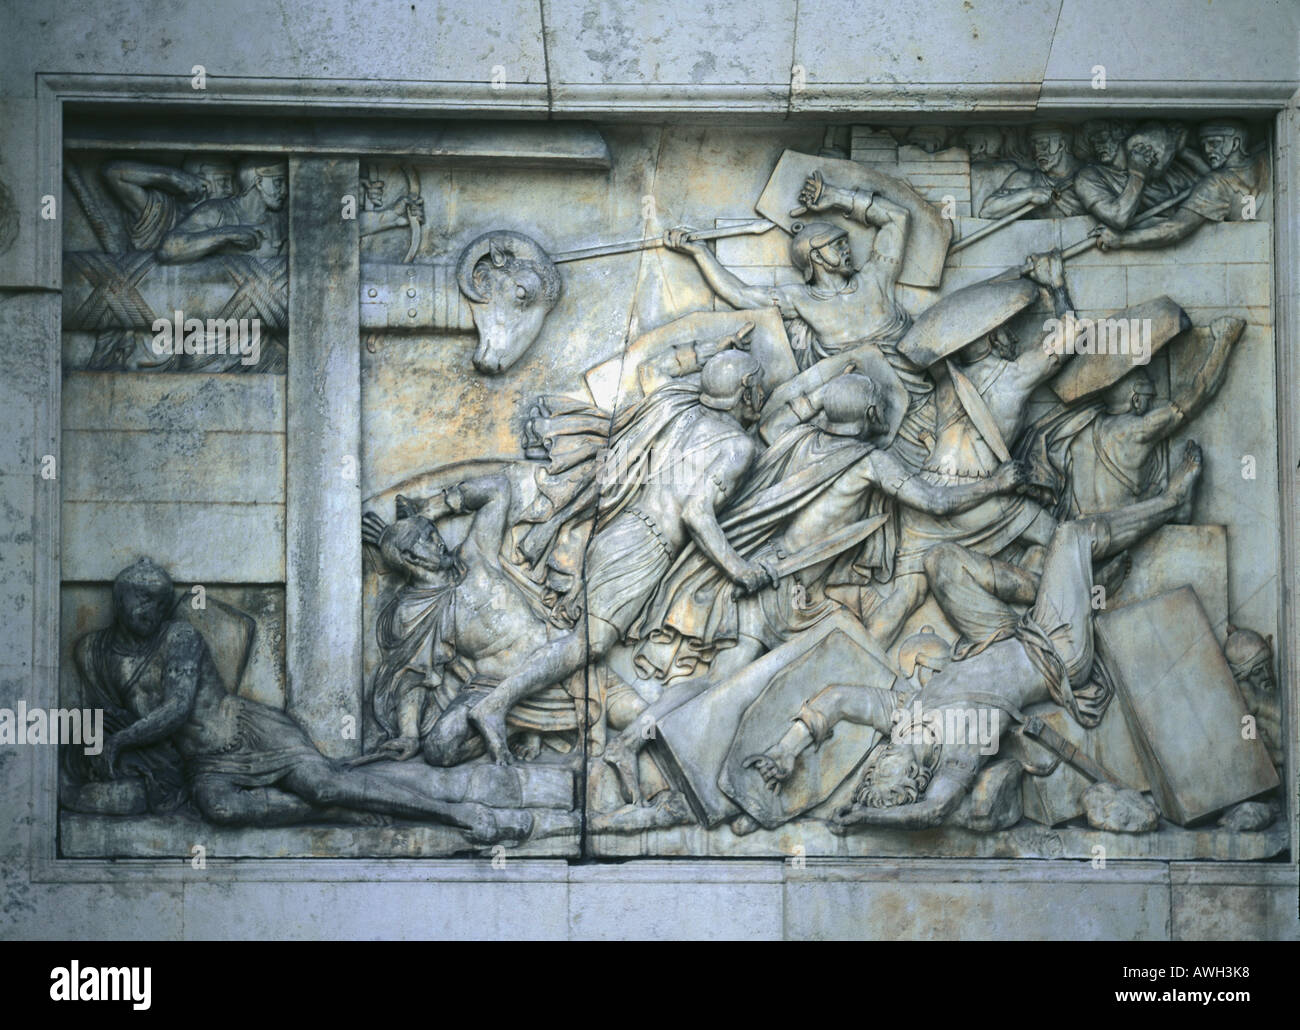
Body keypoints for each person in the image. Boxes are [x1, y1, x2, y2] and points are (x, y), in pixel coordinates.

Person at [601, 371, 1029, 804]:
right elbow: (935, 501)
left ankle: (636, 741)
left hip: (770, 578)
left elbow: (781, 419)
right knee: (761, 675)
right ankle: (714, 764)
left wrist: (824, 392)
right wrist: (997, 483)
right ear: (870, 413)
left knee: (723, 681)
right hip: (780, 590)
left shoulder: (797, 438)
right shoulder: (869, 462)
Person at [743, 440, 1204, 831]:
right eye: (888, 776)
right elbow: (937, 809)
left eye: (877, 770)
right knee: (1070, 535)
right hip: (1051, 648)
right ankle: (1171, 503)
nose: (881, 764)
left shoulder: (903, 714)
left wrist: (786, 750)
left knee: (940, 561)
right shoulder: (963, 743)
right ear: (913, 780)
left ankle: (1063, 585)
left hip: (995, 635)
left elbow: (838, 699)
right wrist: (872, 816)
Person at [84, 558, 532, 844]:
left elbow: (178, 708)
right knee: (221, 809)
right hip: (207, 762)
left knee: (324, 783)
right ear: (120, 599)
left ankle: (456, 814)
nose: (151, 610)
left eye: (160, 602)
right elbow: (109, 716)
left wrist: (119, 741)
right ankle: (335, 811)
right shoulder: (98, 654)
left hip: (248, 730)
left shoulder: (180, 637)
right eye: (142, 600)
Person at [467, 348, 774, 764]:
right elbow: (696, 513)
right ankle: (496, 704)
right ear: (745, 390)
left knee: (580, 641)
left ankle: (525, 716)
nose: (762, 394)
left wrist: (700, 353)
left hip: (619, 532)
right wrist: (740, 570)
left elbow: (653, 369)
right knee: (587, 645)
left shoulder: (677, 410)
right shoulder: (738, 446)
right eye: (758, 385)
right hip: (645, 548)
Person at [1092, 119, 1268, 251]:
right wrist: (1183, 151)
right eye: (1203, 145)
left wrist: (1122, 240)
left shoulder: (1214, 185)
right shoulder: (1265, 161)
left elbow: (1174, 229)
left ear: (1236, 143)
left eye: (1214, 143)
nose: (1207, 150)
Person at [158, 156, 287, 262]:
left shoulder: (282, 220)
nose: (285, 191)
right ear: (258, 182)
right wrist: (228, 234)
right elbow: (168, 249)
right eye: (278, 182)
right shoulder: (216, 211)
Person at [980, 123, 1084, 219]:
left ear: (1061, 145)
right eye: (1034, 148)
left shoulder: (1086, 177)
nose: (1038, 153)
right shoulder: (1025, 179)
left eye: (1043, 145)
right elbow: (987, 212)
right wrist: (1030, 194)